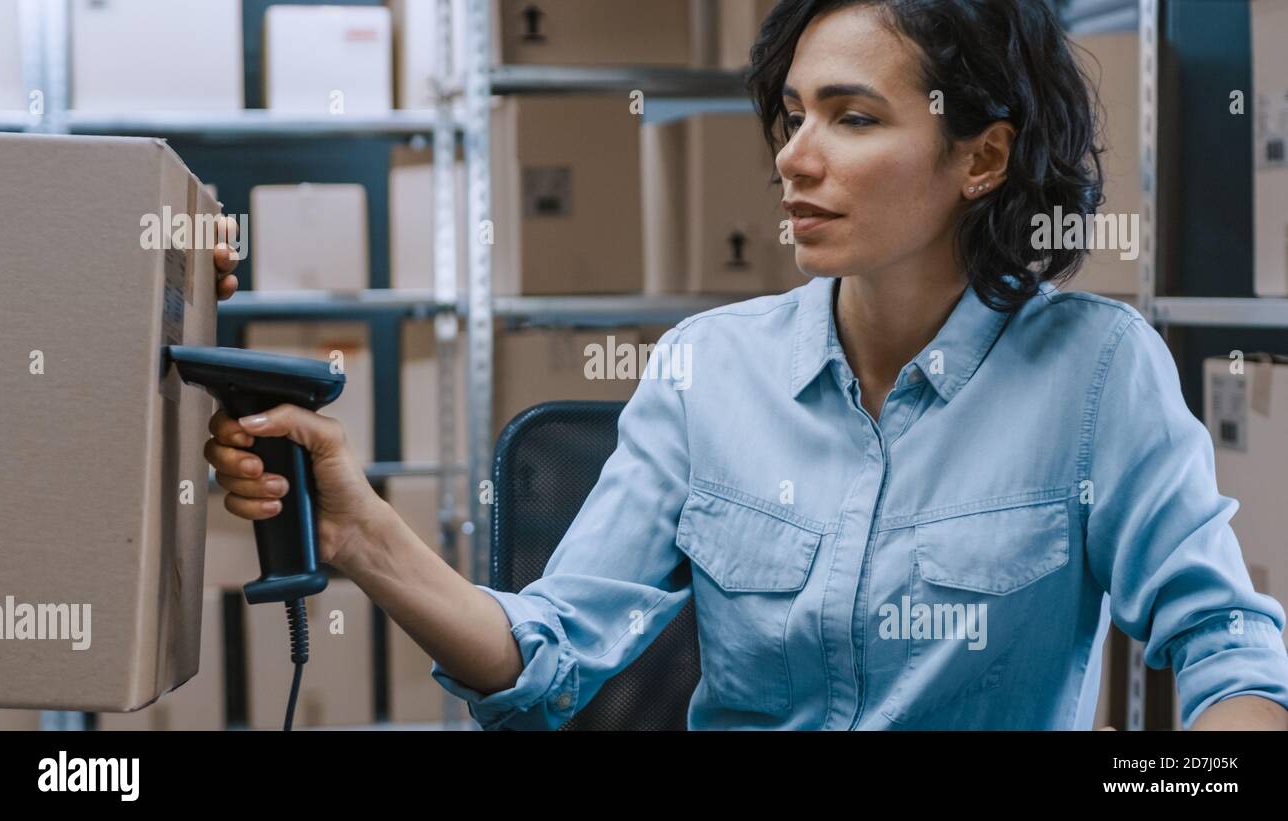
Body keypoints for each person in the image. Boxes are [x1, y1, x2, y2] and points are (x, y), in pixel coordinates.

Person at [206, 0, 1288, 730]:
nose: (791, 155)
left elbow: (1227, 643)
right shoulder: (705, 369)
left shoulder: (1098, 373)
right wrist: (357, 532)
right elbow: (546, 659)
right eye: (790, 115)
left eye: (851, 117)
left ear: (983, 156)